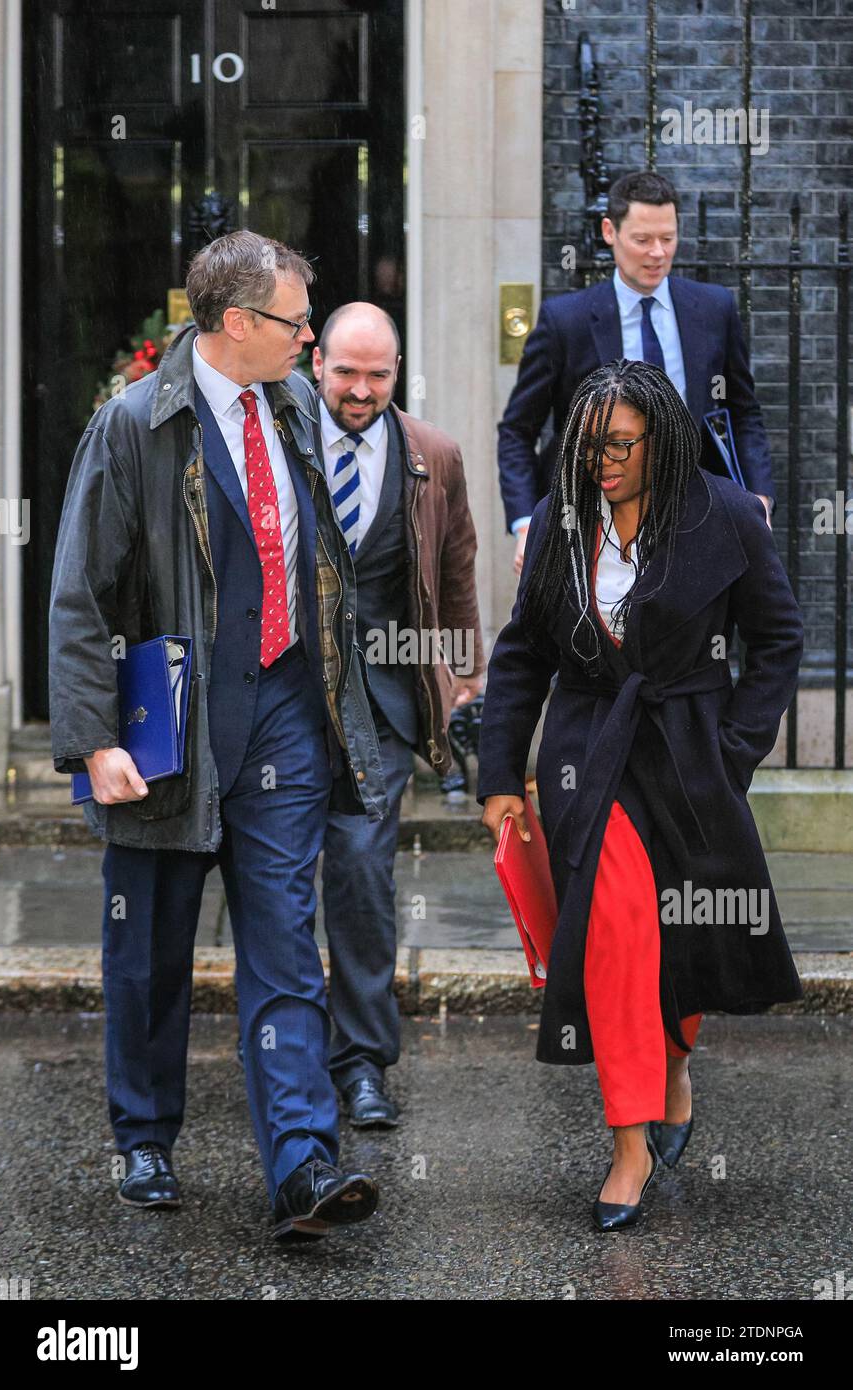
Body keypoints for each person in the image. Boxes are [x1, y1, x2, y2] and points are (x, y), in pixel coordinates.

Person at [49, 231, 388, 1242]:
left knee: (285, 949)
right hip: (169, 726)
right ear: (235, 322)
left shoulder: (291, 409)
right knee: (149, 949)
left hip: (282, 716)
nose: (310, 340)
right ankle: (145, 1132)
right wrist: (92, 738)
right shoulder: (133, 425)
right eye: (295, 322)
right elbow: (77, 596)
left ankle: (300, 1162)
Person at [477, 359, 804, 1232]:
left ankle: (673, 1065)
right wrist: (502, 776)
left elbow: (778, 640)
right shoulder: (559, 521)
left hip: (691, 758)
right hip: (592, 756)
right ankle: (628, 1141)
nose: (601, 463)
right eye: (587, 447)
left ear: (659, 437)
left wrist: (733, 749)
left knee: (683, 926)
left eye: (618, 445)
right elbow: (520, 657)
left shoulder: (725, 516)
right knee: (619, 929)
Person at [311, 301, 485, 1125]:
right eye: (346, 371)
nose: (360, 389)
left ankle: (363, 1065)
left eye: (377, 374)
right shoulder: (276, 437)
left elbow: (455, 573)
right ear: (318, 365)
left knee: (362, 881)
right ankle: (282, 1054)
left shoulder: (433, 456)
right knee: (270, 887)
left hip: (381, 704)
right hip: (283, 699)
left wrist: (460, 674)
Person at [498, 170, 776, 575]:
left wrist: (759, 497)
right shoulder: (565, 321)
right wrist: (525, 523)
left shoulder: (714, 309)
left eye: (668, 238)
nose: (658, 253)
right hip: (592, 523)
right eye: (643, 240)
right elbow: (518, 430)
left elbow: (743, 411)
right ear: (610, 231)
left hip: (696, 517)